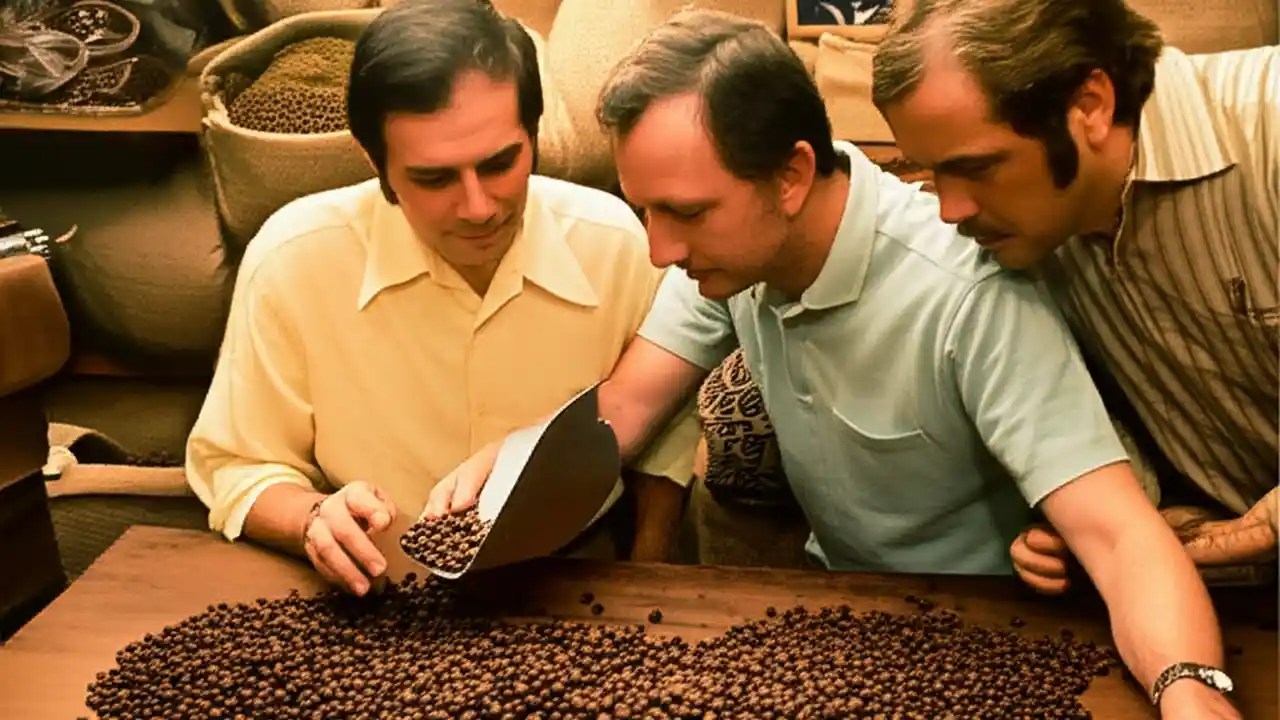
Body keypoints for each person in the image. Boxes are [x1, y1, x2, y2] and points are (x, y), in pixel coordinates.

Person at [425, 9, 1237, 716]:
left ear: (792, 176)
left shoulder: (969, 294)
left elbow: (1123, 538)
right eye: (645, 211)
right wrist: (502, 483)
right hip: (833, 625)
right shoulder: (732, 258)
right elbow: (626, 407)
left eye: (686, 214)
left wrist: (1191, 690)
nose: (660, 249)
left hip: (997, 643)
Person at [184, 0, 698, 598]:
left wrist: (649, 571)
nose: (479, 207)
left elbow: (666, 429)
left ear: (533, 136)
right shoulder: (294, 259)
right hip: (376, 588)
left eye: (501, 164)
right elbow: (235, 464)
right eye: (434, 178)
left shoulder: (615, 245)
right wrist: (312, 519)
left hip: (575, 575)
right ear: (374, 161)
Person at [871, 0, 1278, 593]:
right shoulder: (1018, 239)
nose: (950, 210)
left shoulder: (1264, 126)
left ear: (1090, 105)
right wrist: (1117, 515)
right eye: (934, 173)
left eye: (978, 168)